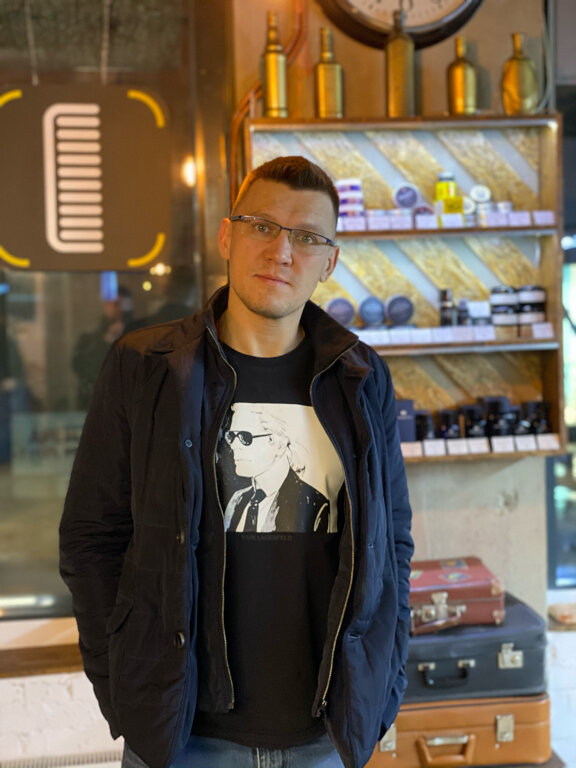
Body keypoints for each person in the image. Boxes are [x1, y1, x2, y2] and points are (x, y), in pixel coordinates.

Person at [59, 156, 414, 768]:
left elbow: (394, 542)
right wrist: (123, 692)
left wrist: (384, 688)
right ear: (227, 236)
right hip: (183, 735)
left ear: (329, 261)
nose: (282, 252)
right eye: (262, 226)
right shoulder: (147, 368)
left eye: (307, 237)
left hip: (325, 735)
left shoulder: (359, 376)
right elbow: (91, 538)